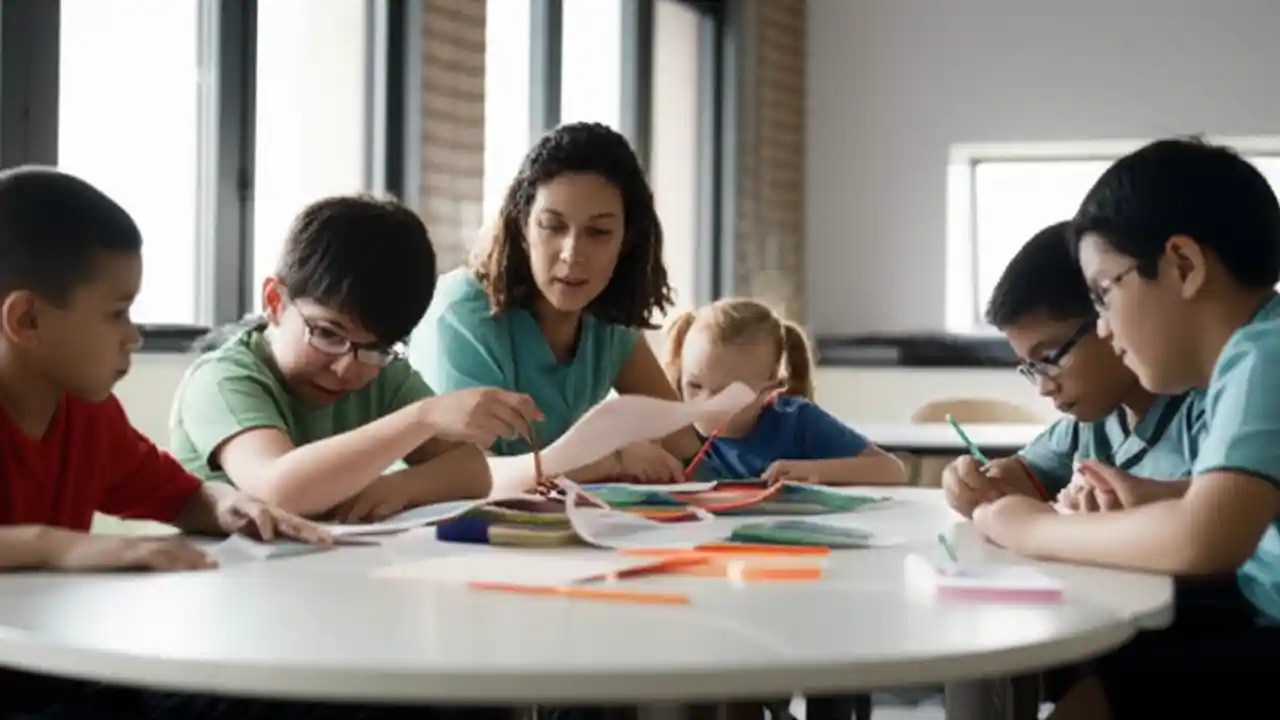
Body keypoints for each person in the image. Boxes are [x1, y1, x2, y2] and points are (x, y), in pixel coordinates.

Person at [0, 166, 450, 719]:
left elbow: (183, 495)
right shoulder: (226, 376)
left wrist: (228, 504)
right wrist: (56, 545)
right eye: (117, 313)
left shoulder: (89, 414)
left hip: (55, 669)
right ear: (26, 318)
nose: (134, 335)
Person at [972, 138, 1280, 717]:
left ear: (1183, 267)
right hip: (1255, 609)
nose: (1106, 331)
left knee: (1101, 690)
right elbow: (1237, 506)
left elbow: (1203, 539)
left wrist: (1027, 528)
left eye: (1103, 295)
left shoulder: (1264, 356)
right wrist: (1160, 496)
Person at [171, 196, 539, 523]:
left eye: (377, 347)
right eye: (328, 334)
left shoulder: (382, 374)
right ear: (275, 302)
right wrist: (423, 418)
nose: (347, 368)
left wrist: (399, 488)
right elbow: (281, 491)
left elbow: (473, 471)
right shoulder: (223, 380)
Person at [409, 122, 703, 494]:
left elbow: (688, 448)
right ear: (522, 226)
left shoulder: (607, 322)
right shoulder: (461, 315)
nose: (572, 253)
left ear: (627, 241)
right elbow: (467, 476)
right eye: (552, 226)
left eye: (598, 233)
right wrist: (613, 458)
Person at [942, 221, 1204, 518]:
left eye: (1051, 356)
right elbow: (1022, 475)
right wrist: (974, 484)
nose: (1044, 387)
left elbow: (1220, 514)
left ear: (1109, 312)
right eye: (1032, 368)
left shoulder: (1206, 413)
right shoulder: (1091, 422)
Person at [664, 297, 905, 485]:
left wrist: (813, 471)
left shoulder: (798, 422)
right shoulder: (671, 426)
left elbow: (892, 471)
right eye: (694, 386)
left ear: (770, 388)